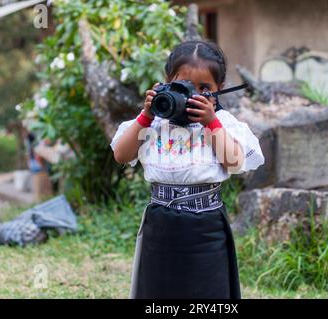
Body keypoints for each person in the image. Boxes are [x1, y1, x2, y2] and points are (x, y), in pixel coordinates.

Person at [110, 40, 265, 299]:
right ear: (166, 82)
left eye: (204, 88)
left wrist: (211, 123)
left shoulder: (222, 123)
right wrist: (147, 115)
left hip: (206, 229)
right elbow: (121, 154)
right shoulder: (154, 123)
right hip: (160, 227)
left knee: (206, 293)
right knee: (159, 291)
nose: (192, 94)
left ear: (219, 90)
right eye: (183, 85)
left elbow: (235, 162)